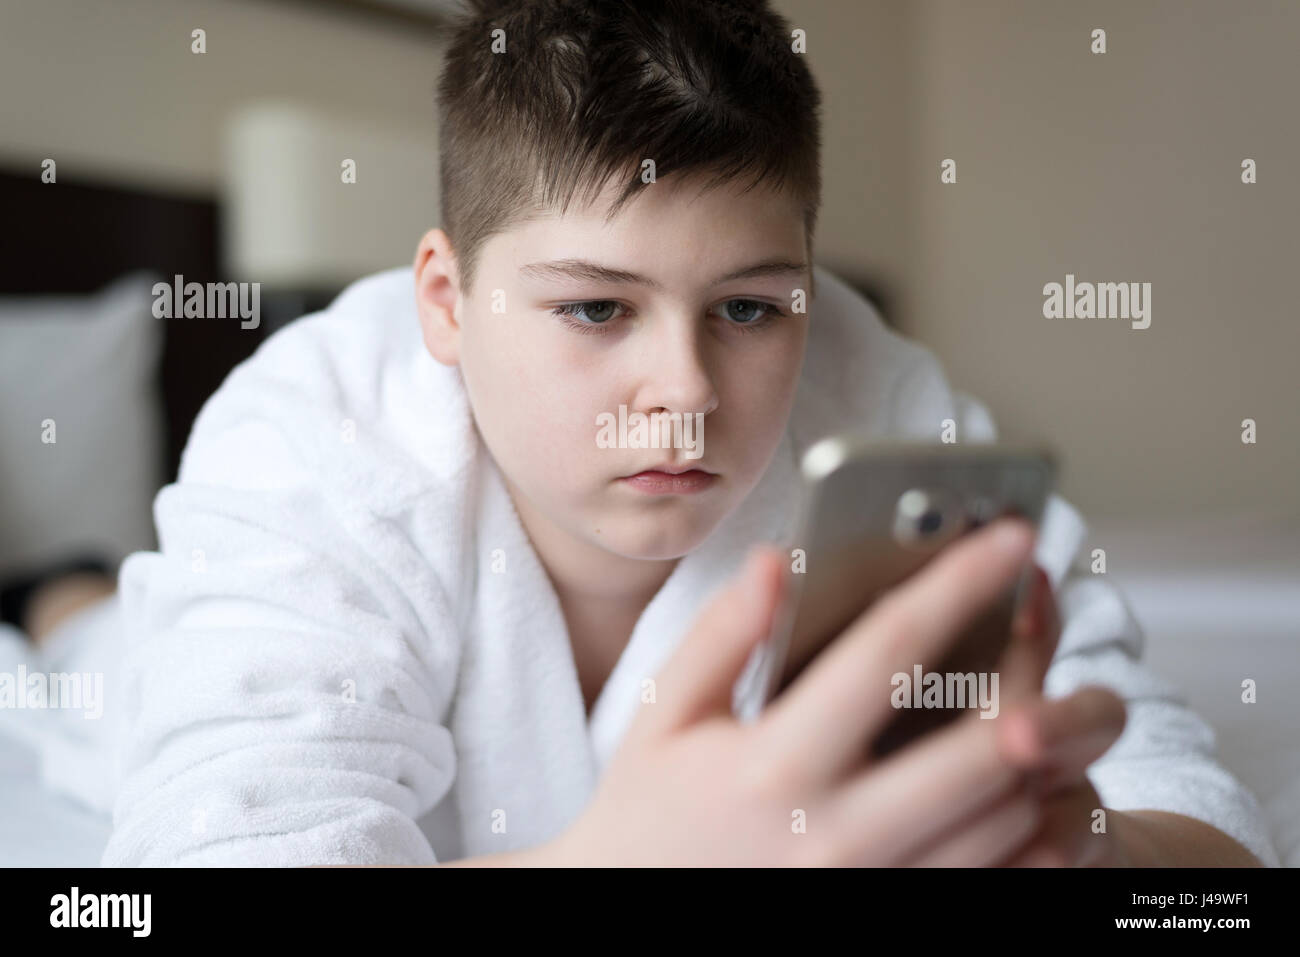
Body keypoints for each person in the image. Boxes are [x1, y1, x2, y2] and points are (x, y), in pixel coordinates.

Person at [91, 0, 1273, 866]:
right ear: (446, 304)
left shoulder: (882, 404)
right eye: (596, 307)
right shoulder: (312, 439)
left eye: (749, 309)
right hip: (132, 658)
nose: (685, 394)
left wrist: (1099, 854)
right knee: (75, 646)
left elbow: (1211, 848)